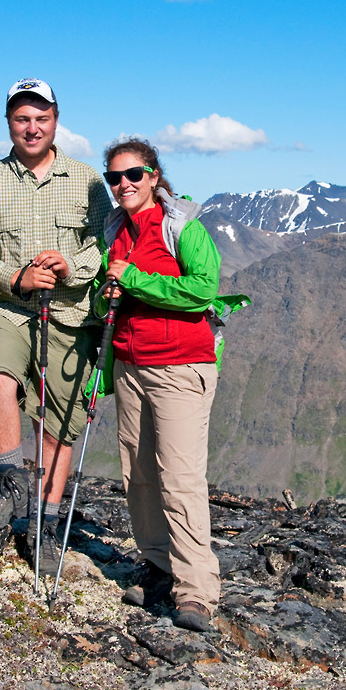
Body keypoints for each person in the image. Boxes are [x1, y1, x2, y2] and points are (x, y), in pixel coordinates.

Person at [0, 78, 111, 572]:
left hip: (69, 313)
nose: (32, 127)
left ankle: (42, 521)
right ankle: (10, 487)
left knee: (61, 423)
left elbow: (107, 245)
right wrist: (14, 277)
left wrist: (71, 266)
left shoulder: (87, 180)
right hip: (8, 308)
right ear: (9, 124)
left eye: (41, 118)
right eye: (22, 119)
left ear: (56, 121)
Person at [98, 138, 246, 632]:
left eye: (133, 174)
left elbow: (202, 290)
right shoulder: (115, 229)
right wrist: (110, 294)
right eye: (114, 178)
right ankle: (158, 567)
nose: (124, 185)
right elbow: (115, 297)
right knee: (137, 473)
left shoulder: (183, 227)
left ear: (155, 175)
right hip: (131, 365)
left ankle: (197, 591)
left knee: (179, 478)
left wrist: (134, 279)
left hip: (181, 366)